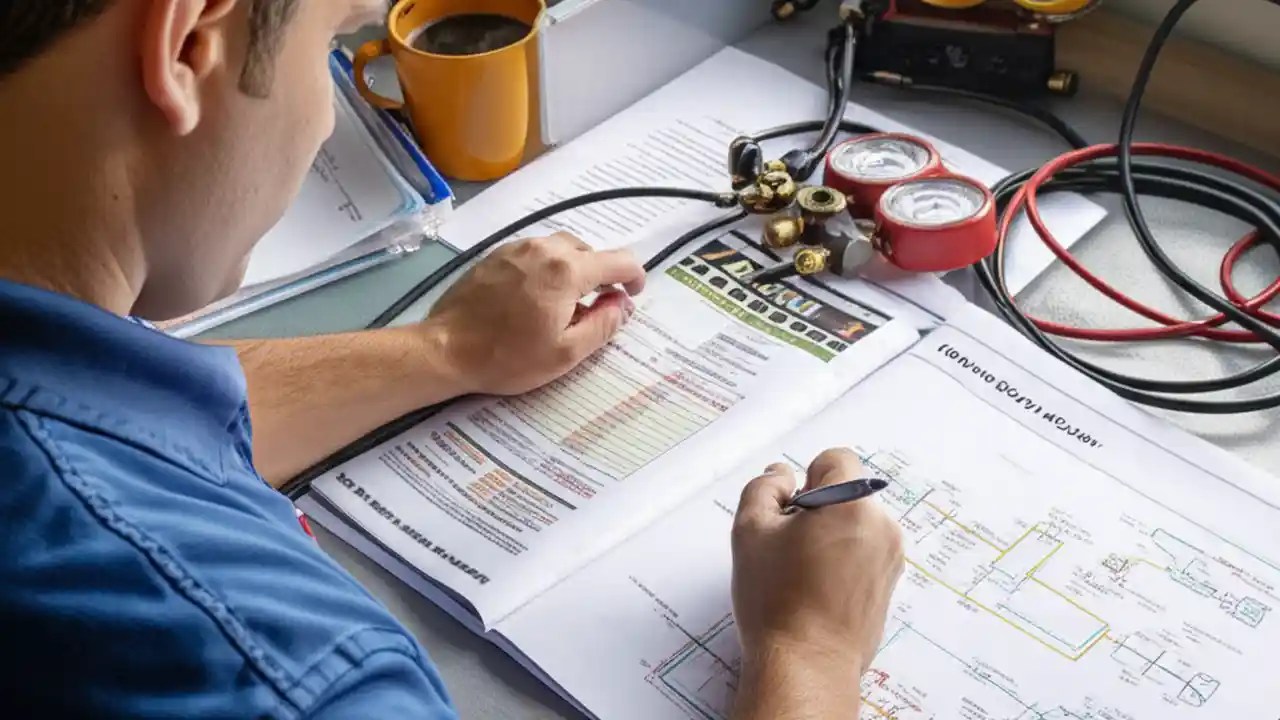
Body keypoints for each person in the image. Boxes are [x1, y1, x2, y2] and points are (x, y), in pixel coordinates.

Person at [0, 1, 905, 718]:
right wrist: (811, 657)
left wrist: (447, 349)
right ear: (188, 42)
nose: (323, 129)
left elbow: (116, 419)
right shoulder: (290, 680)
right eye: (330, 48)